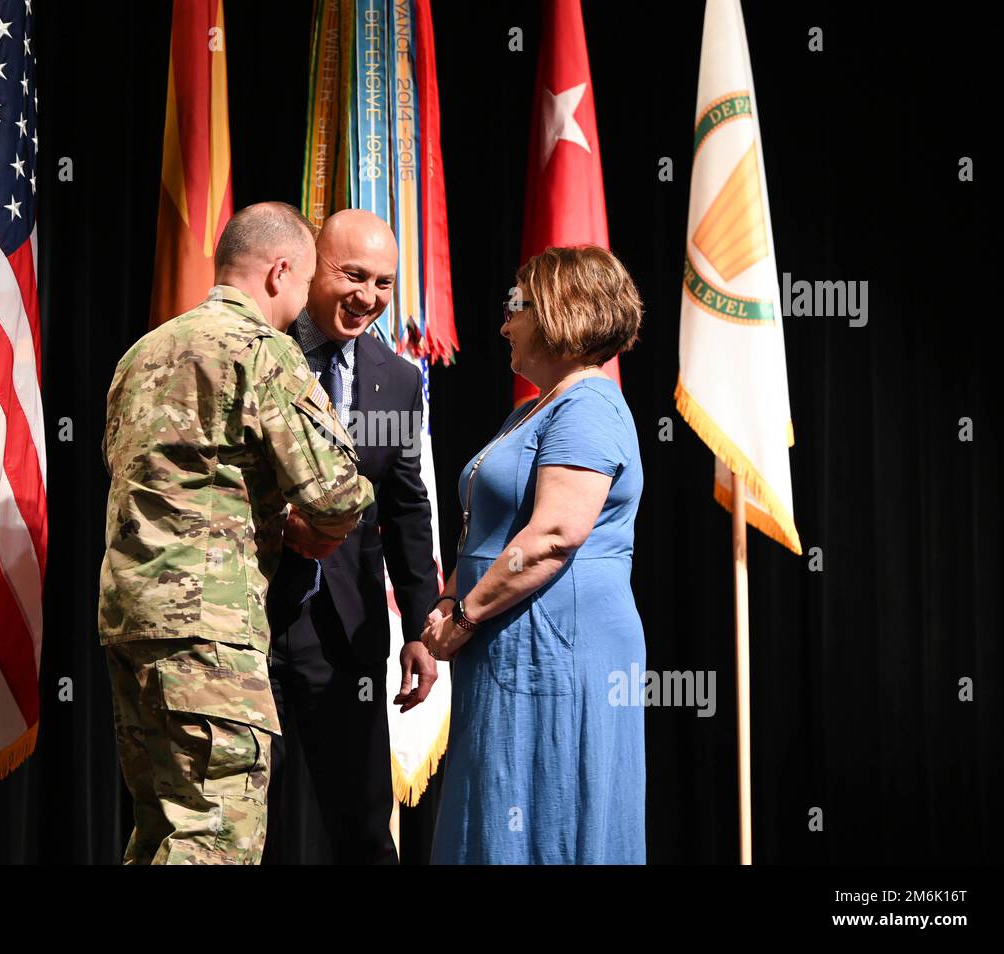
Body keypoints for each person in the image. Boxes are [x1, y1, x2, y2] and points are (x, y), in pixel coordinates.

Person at [99, 201, 375, 865]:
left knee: (160, 834)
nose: (306, 303)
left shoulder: (145, 351)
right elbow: (336, 492)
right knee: (217, 839)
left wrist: (275, 516)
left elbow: (160, 477)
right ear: (282, 272)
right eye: (307, 284)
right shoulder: (261, 350)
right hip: (211, 631)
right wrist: (315, 524)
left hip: (131, 624)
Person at [424, 244, 646, 864]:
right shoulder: (530, 409)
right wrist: (448, 599)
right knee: (494, 809)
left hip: (555, 651)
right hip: (507, 643)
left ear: (559, 310)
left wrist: (466, 617)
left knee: (544, 813)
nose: (504, 323)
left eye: (515, 307)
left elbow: (553, 536)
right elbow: (485, 524)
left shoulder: (589, 405)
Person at [261, 209, 439, 865]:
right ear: (311, 266)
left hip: (344, 635)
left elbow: (406, 507)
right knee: (243, 829)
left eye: (385, 283)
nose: (369, 297)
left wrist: (419, 627)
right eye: (353, 275)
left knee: (364, 830)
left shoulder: (395, 379)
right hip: (242, 620)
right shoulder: (253, 351)